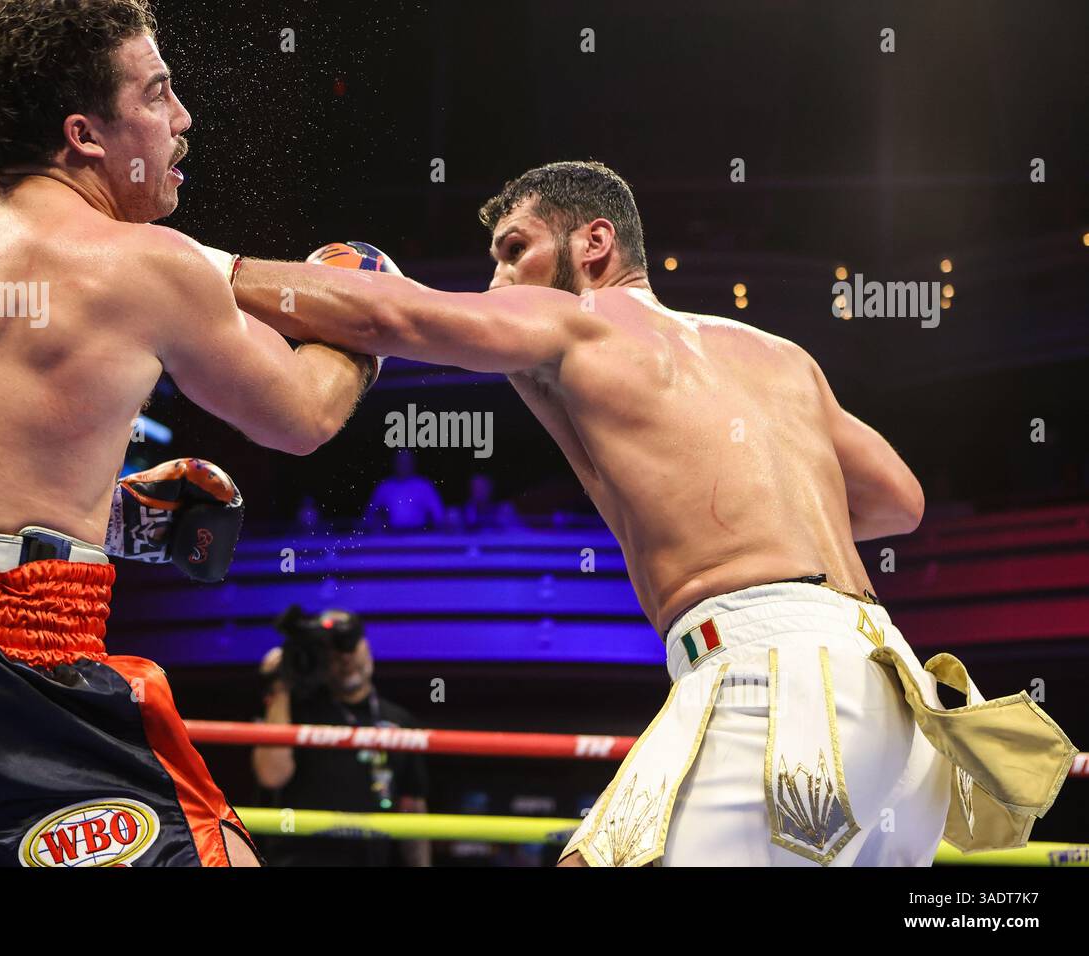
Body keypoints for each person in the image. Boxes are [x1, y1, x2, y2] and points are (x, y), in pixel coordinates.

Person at [225, 161, 1077, 866]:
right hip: (898, 705)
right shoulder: (782, 356)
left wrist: (203, 270)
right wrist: (760, 513)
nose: (498, 282)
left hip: (776, 689)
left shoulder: (580, 322)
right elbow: (900, 501)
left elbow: (394, 314)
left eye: (515, 251)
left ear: (594, 243)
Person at [0, 0, 379, 867]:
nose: (183, 118)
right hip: (0, 658)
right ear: (85, 134)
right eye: (158, 93)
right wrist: (362, 304)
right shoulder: (141, 260)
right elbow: (305, 415)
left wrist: (105, 514)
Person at [252, 611, 430, 866]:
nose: (345, 659)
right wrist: (282, 684)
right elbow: (271, 775)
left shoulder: (399, 721)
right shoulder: (296, 710)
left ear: (366, 646)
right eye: (333, 651)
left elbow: (412, 808)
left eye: (350, 646)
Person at [364, 448, 445, 531]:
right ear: (394, 463)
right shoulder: (384, 487)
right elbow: (369, 516)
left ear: (413, 463)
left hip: (419, 534)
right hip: (390, 534)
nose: (403, 466)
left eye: (406, 462)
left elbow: (439, 515)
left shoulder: (425, 486)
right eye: (400, 462)